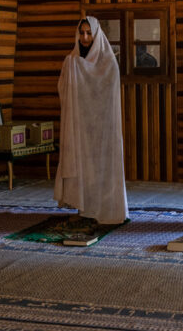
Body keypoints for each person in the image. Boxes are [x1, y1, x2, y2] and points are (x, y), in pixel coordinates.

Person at [54, 17, 128, 224]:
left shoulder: (108, 63)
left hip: (102, 126)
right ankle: (83, 208)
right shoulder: (72, 61)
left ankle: (103, 208)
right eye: (82, 33)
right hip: (79, 125)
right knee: (82, 165)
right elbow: (64, 91)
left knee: (101, 168)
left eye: (89, 33)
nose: (85, 37)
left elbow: (108, 95)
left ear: (96, 34)